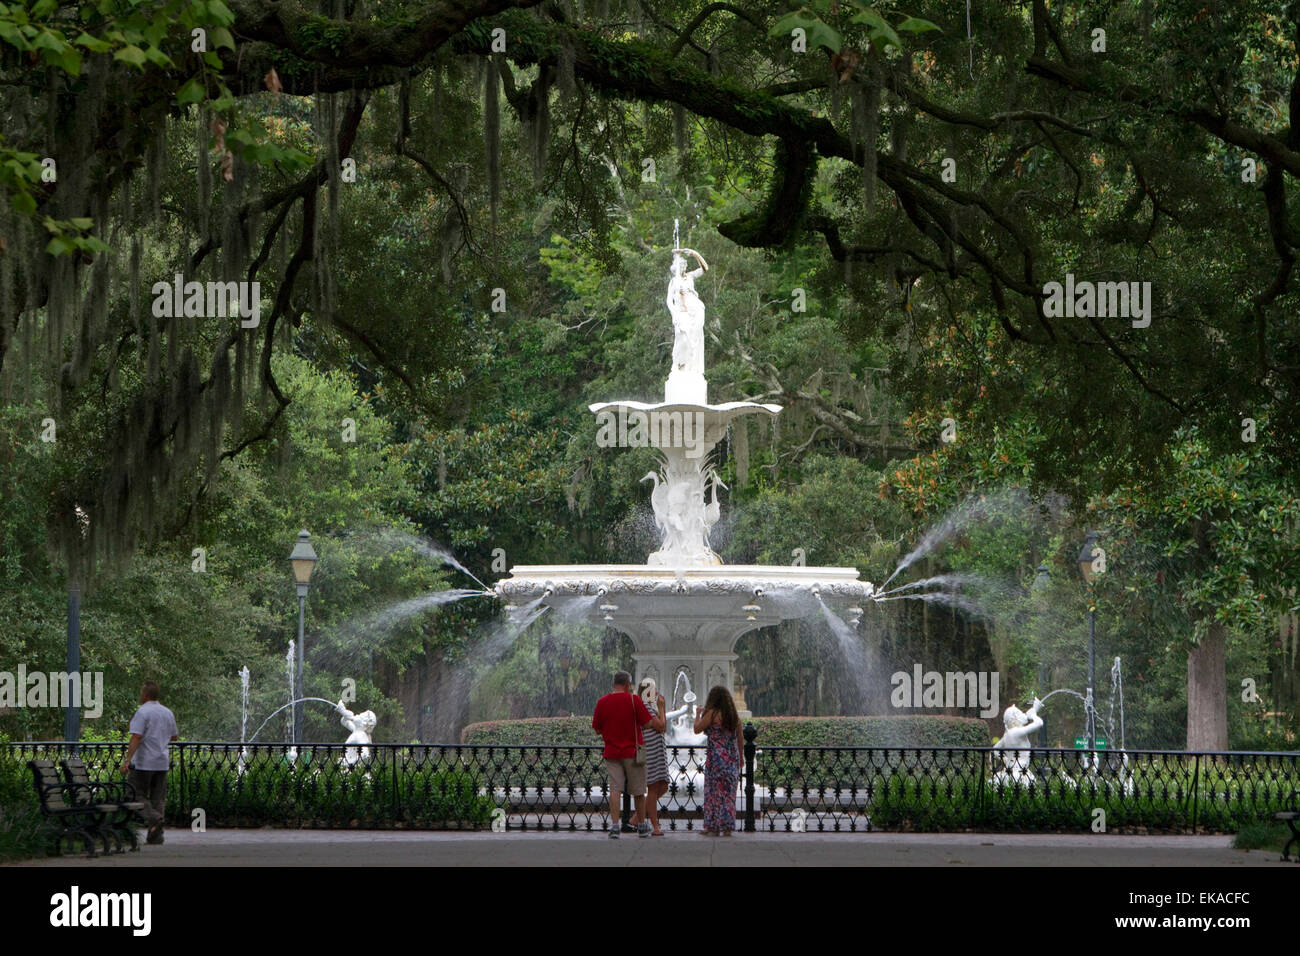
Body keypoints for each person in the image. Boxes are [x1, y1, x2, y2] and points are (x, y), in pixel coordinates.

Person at [592, 671, 654, 838]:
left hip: (612, 752)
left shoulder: (602, 702)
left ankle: (614, 826)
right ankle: (641, 826)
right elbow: (648, 723)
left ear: (614, 684)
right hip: (632, 752)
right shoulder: (634, 700)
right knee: (639, 790)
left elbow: (597, 729)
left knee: (615, 789)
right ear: (628, 684)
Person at [118, 681, 179, 845]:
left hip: (144, 762)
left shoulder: (142, 712)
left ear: (144, 695)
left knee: (133, 794)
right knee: (158, 799)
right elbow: (174, 737)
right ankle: (156, 836)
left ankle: (155, 818)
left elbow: (136, 736)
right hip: (162, 762)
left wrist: (127, 760)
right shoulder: (167, 713)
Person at [693, 685, 743, 836]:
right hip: (731, 759)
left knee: (713, 794)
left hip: (715, 760)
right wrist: (741, 758)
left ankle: (712, 826)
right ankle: (727, 826)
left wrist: (697, 714)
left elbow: (697, 729)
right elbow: (740, 739)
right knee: (728, 795)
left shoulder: (712, 714)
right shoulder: (734, 716)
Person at [633, 677, 670, 836]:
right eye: (654, 690)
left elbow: (663, 727)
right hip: (651, 753)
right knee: (654, 788)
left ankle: (636, 817)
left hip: (657, 752)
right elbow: (661, 726)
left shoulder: (649, 708)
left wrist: (661, 709)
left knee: (663, 786)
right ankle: (655, 826)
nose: (656, 693)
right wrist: (662, 707)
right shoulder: (645, 708)